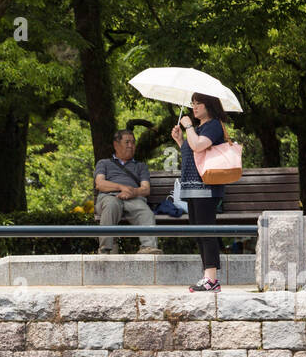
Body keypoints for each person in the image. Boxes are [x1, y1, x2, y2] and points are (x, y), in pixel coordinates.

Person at [171, 92, 230, 292]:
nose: (194, 107)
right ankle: (207, 276)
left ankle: (212, 279)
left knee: (206, 230)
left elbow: (198, 146)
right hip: (192, 187)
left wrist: (187, 126)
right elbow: (191, 151)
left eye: (198, 104)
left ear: (209, 105)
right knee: (197, 231)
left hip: (206, 188)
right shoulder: (199, 128)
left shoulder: (213, 125)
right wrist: (180, 140)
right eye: (193, 104)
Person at [94, 130, 161, 255]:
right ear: (116, 145)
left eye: (133, 143)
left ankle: (148, 248)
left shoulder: (141, 166)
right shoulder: (104, 163)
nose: (131, 145)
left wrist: (132, 192)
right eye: (127, 142)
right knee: (110, 205)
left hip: (133, 197)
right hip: (109, 196)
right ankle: (105, 250)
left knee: (145, 212)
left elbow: (145, 189)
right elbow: (100, 184)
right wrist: (121, 187)